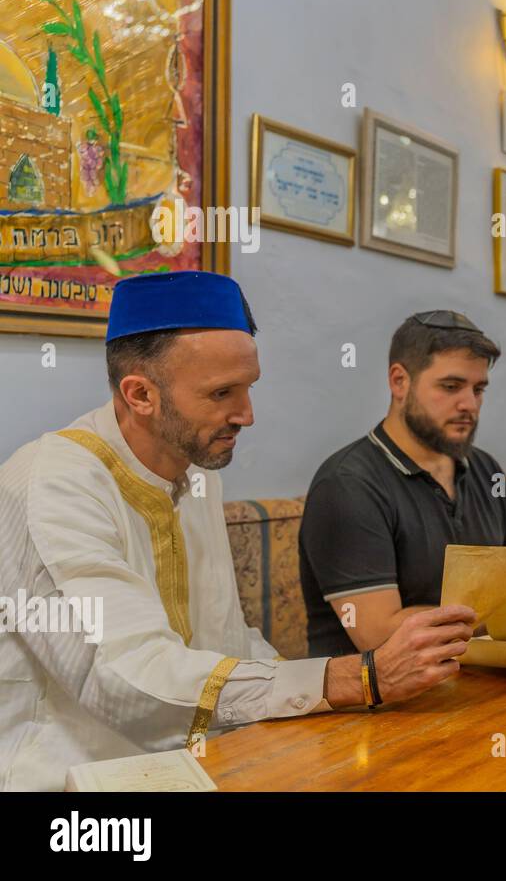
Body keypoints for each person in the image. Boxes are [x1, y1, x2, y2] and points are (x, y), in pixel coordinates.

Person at [0, 272, 474, 791]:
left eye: (248, 389)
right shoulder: (54, 484)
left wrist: (321, 701)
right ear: (140, 394)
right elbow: (124, 678)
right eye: (222, 393)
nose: (246, 415)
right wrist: (351, 678)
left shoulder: (195, 472)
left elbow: (227, 638)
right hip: (72, 785)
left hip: (204, 766)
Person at [299, 311, 506, 658]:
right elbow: (379, 635)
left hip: (479, 677)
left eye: (478, 389)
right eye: (450, 387)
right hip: (375, 703)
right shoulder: (347, 485)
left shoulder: (486, 470)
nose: (469, 404)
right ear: (399, 382)